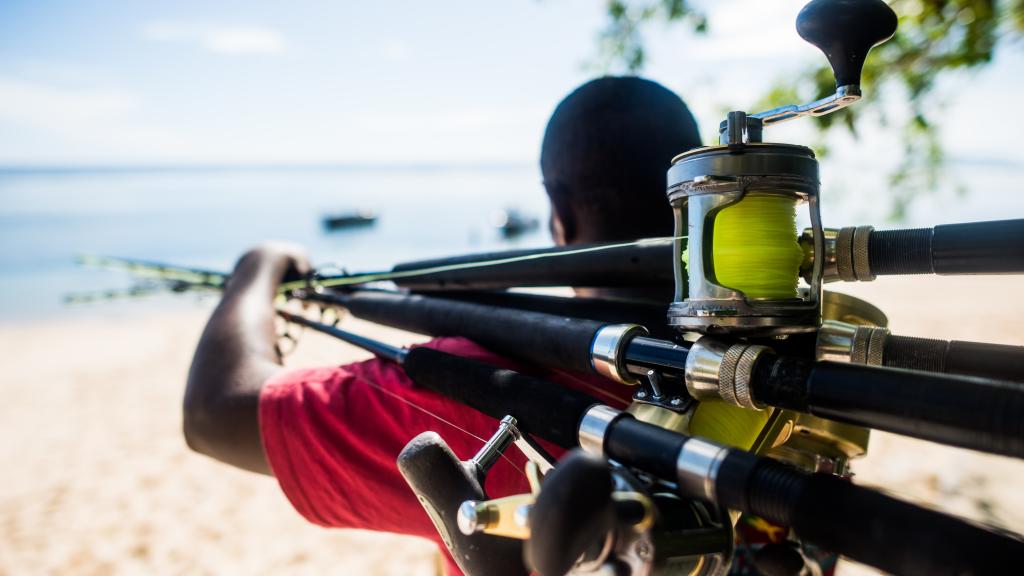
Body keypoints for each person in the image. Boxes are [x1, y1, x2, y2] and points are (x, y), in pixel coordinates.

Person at [183, 76, 702, 574]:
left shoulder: (479, 380)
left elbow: (215, 413)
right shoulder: (766, 357)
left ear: (561, 215)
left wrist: (258, 264)